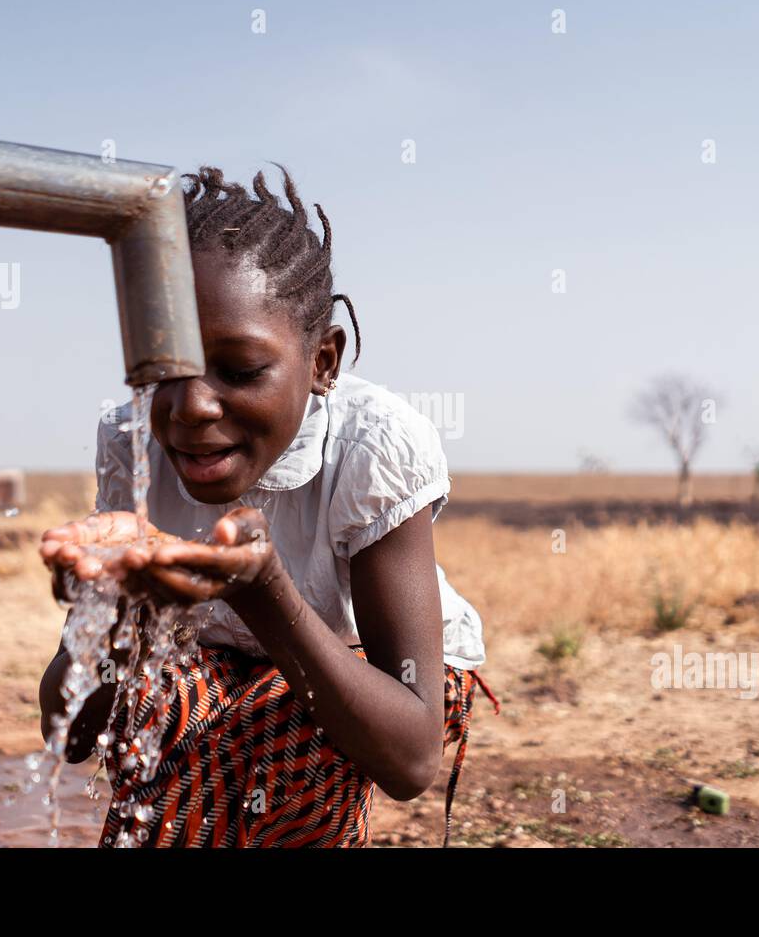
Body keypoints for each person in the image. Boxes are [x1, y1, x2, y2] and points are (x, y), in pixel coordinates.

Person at [38, 165, 496, 847]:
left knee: (277, 719)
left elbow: (410, 755)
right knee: (173, 719)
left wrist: (263, 590)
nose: (191, 407)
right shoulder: (132, 440)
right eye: (162, 370)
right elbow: (69, 730)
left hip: (356, 674)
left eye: (240, 371)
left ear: (323, 362)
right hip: (214, 658)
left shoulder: (372, 447)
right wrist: (107, 611)